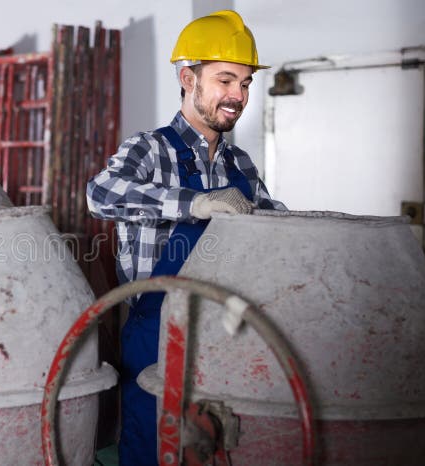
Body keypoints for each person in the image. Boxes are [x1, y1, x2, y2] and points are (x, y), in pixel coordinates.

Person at [86, 10, 286, 465]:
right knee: (154, 442)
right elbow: (100, 193)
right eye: (225, 80)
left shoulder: (242, 167)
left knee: (216, 443)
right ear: (187, 78)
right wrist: (194, 204)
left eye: (246, 83)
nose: (239, 95)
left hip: (229, 330)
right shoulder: (150, 149)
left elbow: (276, 225)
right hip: (156, 330)